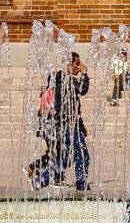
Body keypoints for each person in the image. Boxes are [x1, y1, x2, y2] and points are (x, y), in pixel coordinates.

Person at [31, 52, 91, 190]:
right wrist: (85, 73)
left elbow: (74, 106)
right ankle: (81, 184)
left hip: (68, 125)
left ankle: (40, 180)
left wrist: (81, 126)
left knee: (65, 160)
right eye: (76, 64)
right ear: (68, 65)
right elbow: (82, 89)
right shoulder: (64, 79)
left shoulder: (64, 80)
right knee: (83, 154)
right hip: (68, 127)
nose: (79, 67)